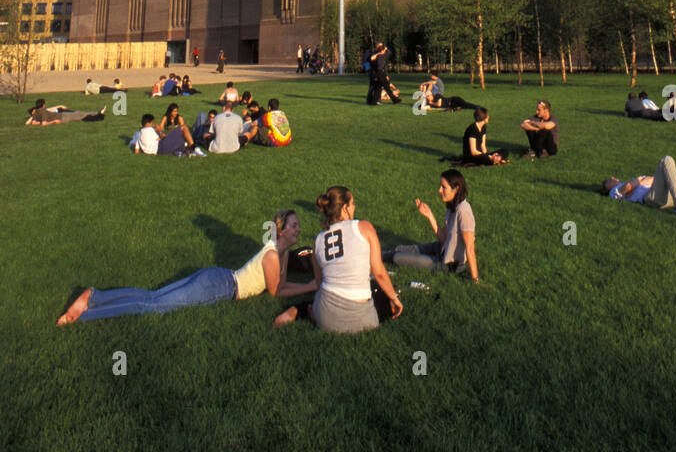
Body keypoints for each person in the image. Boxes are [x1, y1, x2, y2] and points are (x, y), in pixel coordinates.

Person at [57, 210, 318, 325]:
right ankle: (84, 315)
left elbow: (282, 284)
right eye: (294, 225)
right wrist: (310, 285)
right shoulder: (272, 256)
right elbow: (275, 292)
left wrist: (309, 285)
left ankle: (95, 297)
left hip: (216, 277)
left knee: (152, 297)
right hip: (221, 286)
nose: (299, 229)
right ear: (282, 230)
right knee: (153, 305)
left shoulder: (281, 253)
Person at [302, 186, 402, 333]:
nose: (354, 207)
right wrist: (394, 298)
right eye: (352, 203)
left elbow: (319, 281)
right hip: (361, 319)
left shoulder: (318, 239)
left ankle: (308, 312)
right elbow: (379, 272)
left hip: (325, 315)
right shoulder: (364, 227)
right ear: (345, 208)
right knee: (381, 294)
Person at [382, 171, 480, 281]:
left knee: (399, 258)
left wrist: (475, 279)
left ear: (456, 189)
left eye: (444, 187)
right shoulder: (451, 207)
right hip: (443, 248)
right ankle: (380, 253)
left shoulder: (464, 212)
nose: (439, 190)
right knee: (406, 249)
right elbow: (444, 239)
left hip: (450, 265)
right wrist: (430, 215)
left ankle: (379, 256)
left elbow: (470, 248)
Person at [26, 99, 106, 125]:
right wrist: (54, 121)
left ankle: (98, 114)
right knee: (80, 115)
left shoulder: (36, 113)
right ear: (43, 105)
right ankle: (99, 114)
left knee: (79, 114)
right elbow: (44, 123)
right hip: (62, 117)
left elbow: (30, 123)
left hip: (62, 115)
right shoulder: (42, 112)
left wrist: (32, 117)